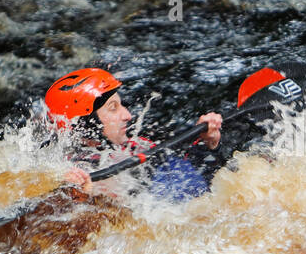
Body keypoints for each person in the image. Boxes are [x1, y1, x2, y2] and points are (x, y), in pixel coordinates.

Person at [43, 68, 223, 200]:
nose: (128, 116)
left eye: (121, 105)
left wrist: (209, 142)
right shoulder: (67, 171)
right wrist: (77, 197)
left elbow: (203, 169)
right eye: (113, 109)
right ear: (87, 123)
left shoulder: (137, 143)